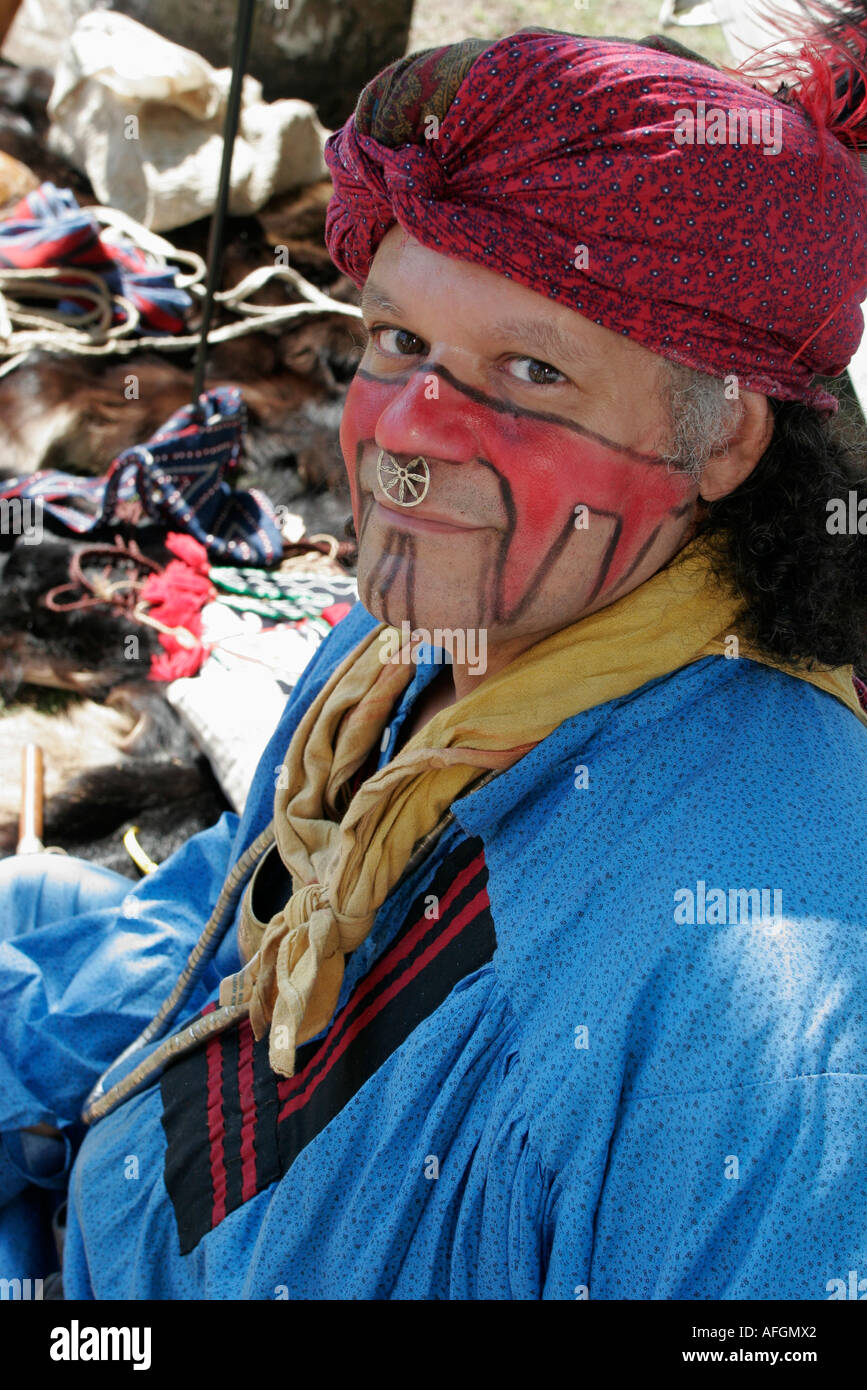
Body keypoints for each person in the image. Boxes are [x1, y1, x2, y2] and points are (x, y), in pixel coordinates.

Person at [2, 20, 867, 1301]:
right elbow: (226, 930)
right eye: (399, 343)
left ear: (724, 436)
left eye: (527, 372)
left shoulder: (763, 995)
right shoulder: (411, 634)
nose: (406, 439)